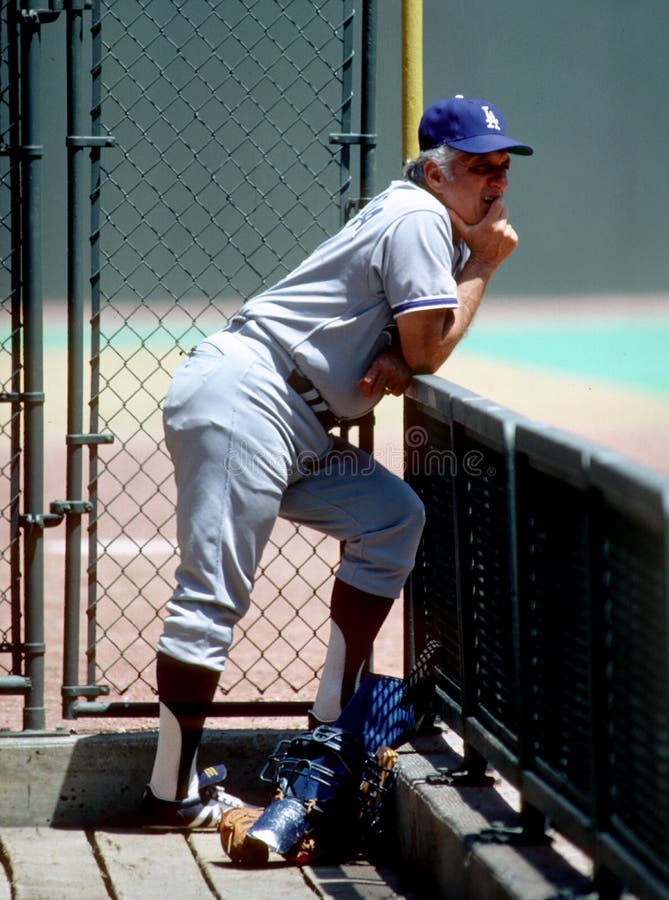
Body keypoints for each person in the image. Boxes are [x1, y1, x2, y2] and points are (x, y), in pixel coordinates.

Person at [141, 94, 533, 829]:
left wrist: (399, 351)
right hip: (251, 398)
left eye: (504, 169)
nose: (497, 183)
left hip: (291, 418)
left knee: (390, 517)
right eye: (481, 166)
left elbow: (412, 348)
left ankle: (333, 725)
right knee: (212, 596)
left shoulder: (416, 216)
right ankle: (170, 794)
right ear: (437, 171)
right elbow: (430, 352)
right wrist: (482, 267)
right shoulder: (422, 219)